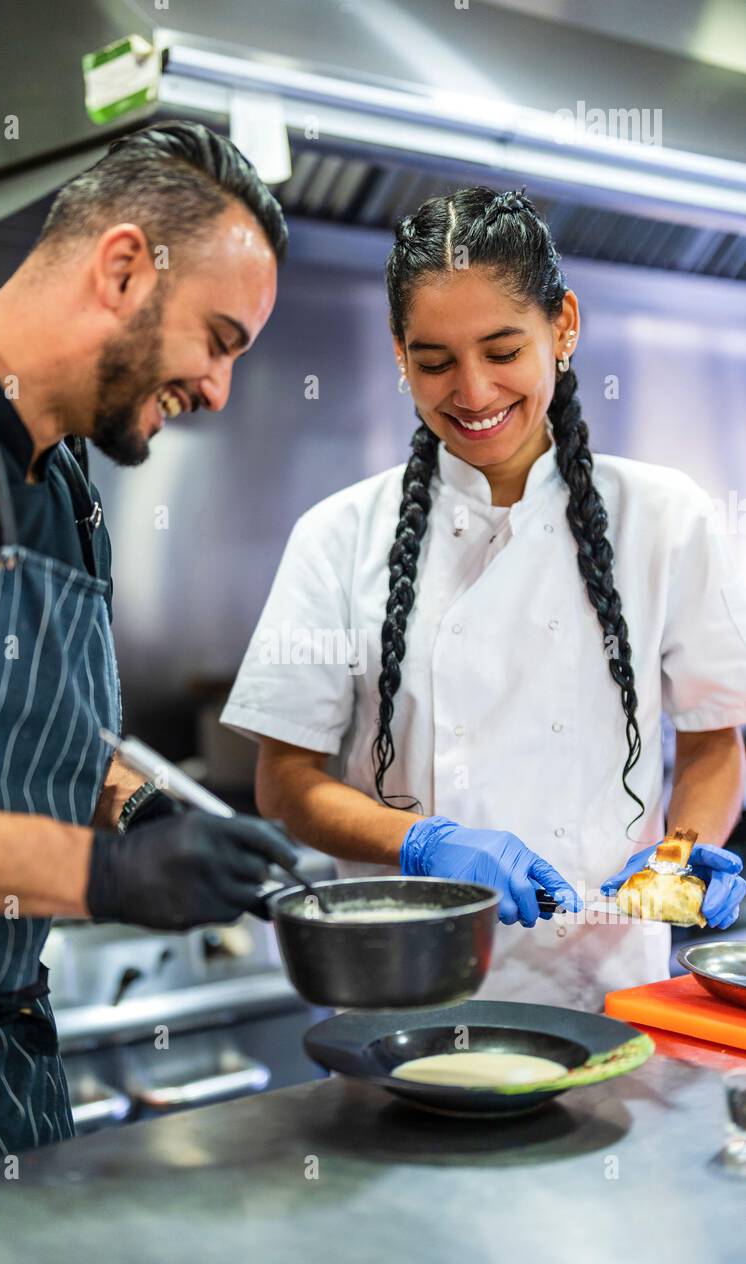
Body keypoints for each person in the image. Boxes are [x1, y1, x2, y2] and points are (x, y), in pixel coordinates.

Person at [0, 121, 298, 1180]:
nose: (216, 390)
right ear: (122, 268)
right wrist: (105, 874)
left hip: (2, 1068)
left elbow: (32, 729)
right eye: (219, 338)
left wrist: (134, 807)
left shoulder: (69, 490)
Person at [222, 186, 746, 1010]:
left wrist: (680, 854)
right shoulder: (337, 535)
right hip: (399, 992)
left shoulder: (665, 518)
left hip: (607, 992)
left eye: (503, 350)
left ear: (563, 326)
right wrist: (421, 841)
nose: (471, 391)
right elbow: (285, 782)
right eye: (433, 361)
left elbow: (715, 743)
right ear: (399, 355)